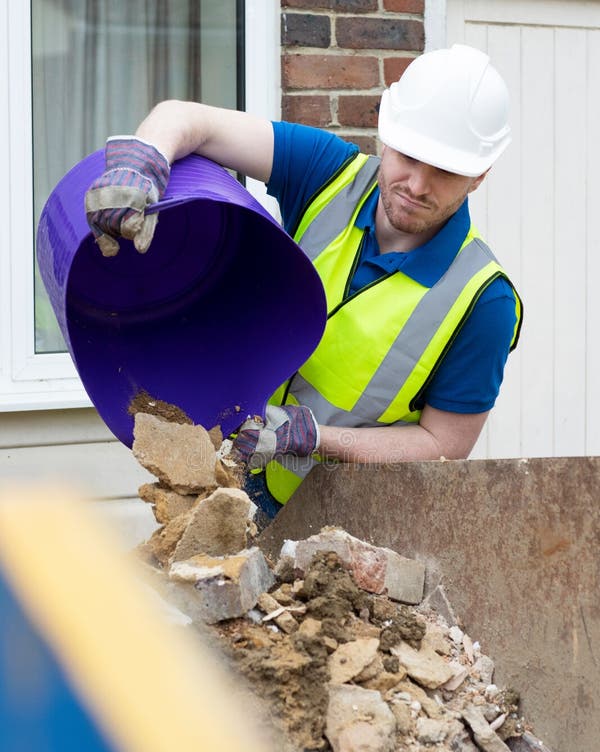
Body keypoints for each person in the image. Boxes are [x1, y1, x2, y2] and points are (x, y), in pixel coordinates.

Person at [84, 43, 523, 517]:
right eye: (409, 157)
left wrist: (314, 437)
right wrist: (145, 159)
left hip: (350, 528)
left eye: (445, 172)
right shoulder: (327, 175)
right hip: (236, 482)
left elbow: (444, 444)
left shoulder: (483, 299)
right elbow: (187, 119)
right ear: (385, 136)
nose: (417, 185)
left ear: (479, 176)